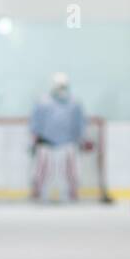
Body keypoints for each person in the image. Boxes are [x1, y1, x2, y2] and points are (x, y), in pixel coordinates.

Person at [29, 72, 87, 202]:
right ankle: (39, 191)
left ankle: (72, 192)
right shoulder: (43, 102)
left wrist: (81, 139)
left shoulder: (74, 103)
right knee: (41, 168)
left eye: (63, 86)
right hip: (46, 142)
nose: (61, 89)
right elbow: (35, 123)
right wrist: (34, 140)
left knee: (71, 169)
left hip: (68, 143)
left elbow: (80, 123)